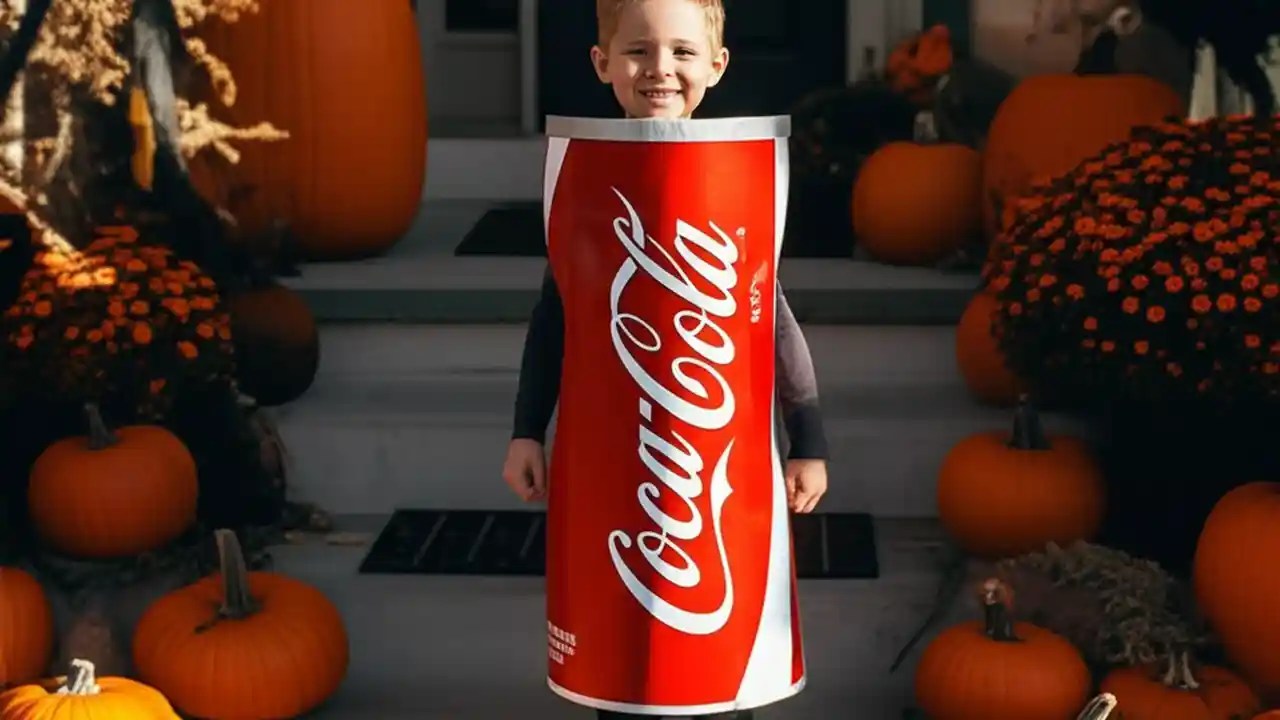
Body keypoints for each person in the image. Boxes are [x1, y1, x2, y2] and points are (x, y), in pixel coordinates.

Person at [501, 1, 831, 718]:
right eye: (639, 51)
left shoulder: (733, 177)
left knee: (712, 661)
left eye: (683, 52)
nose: (660, 70)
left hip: (710, 475)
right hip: (611, 466)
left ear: (716, 66)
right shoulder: (585, 177)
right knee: (615, 656)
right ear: (602, 64)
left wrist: (808, 437)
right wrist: (528, 429)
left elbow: (770, 316)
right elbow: (554, 314)